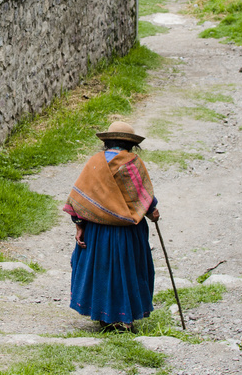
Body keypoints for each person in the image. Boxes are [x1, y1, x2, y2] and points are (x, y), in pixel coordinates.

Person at [63, 120, 159, 332]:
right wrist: (153, 212)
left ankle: (104, 317)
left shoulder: (94, 163)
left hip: (97, 231)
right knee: (127, 270)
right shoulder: (133, 163)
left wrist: (79, 225)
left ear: (107, 142)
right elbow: (144, 196)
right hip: (127, 232)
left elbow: (80, 198)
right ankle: (125, 318)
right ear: (130, 145)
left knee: (102, 270)